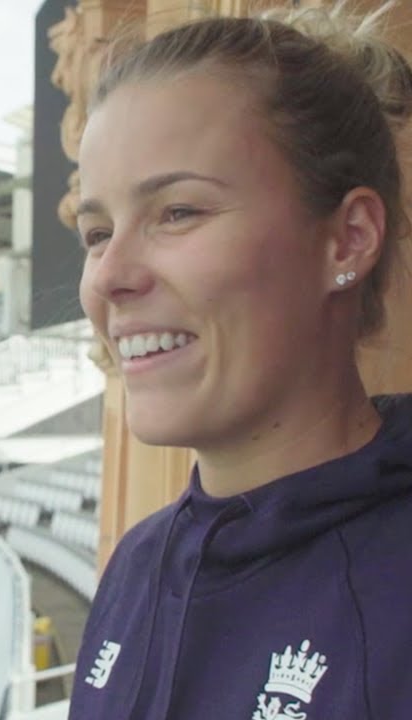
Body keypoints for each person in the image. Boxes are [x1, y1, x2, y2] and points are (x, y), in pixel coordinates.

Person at [70, 4, 412, 719]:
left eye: (178, 212)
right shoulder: (135, 565)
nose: (109, 276)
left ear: (348, 239)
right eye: (97, 232)